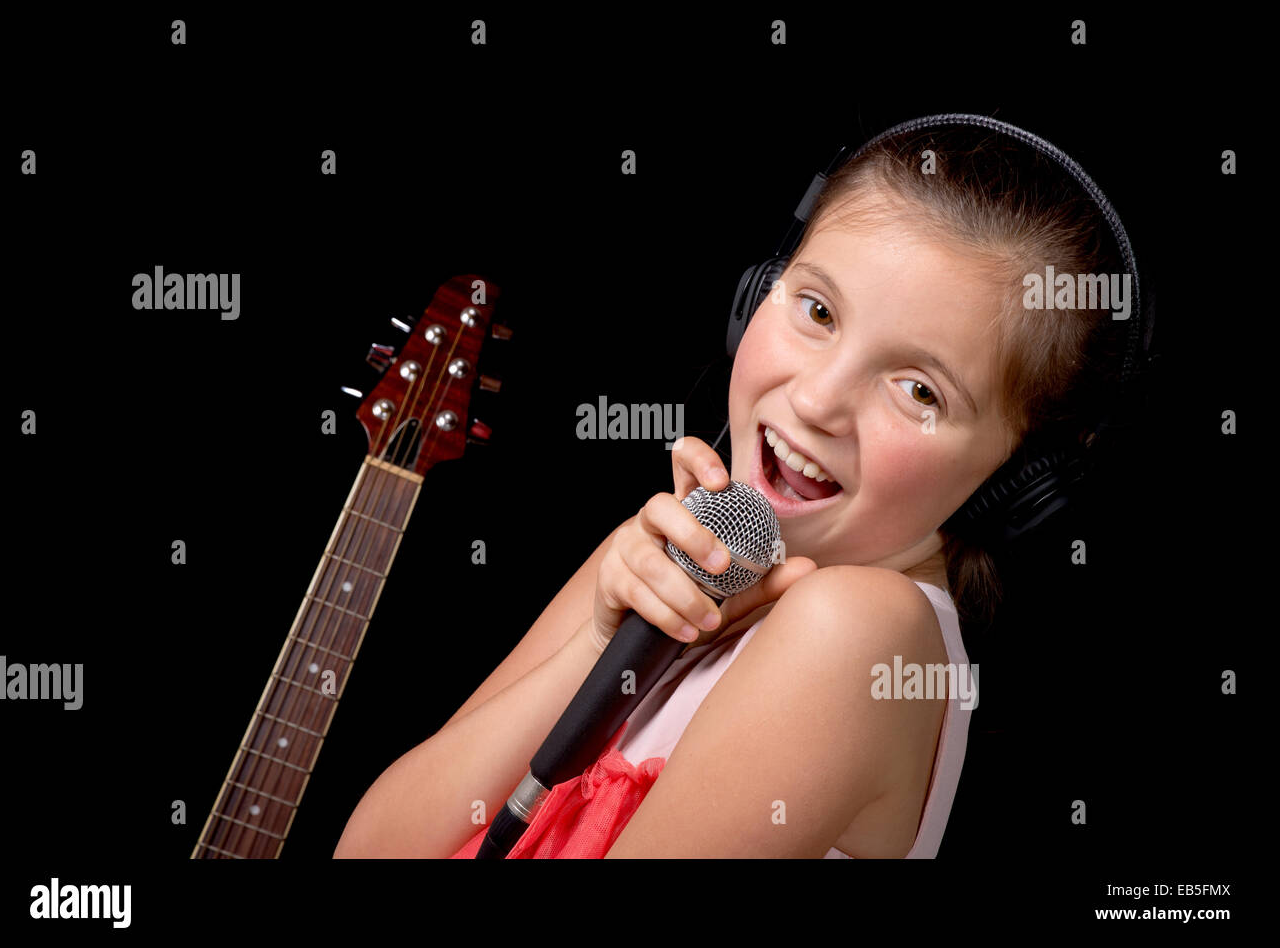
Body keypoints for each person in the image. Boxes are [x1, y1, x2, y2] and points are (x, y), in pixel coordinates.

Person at [333, 121, 1133, 858]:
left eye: (920, 390)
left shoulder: (861, 630)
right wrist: (600, 641)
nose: (817, 401)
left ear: (1019, 486)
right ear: (755, 297)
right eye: (816, 309)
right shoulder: (669, 549)